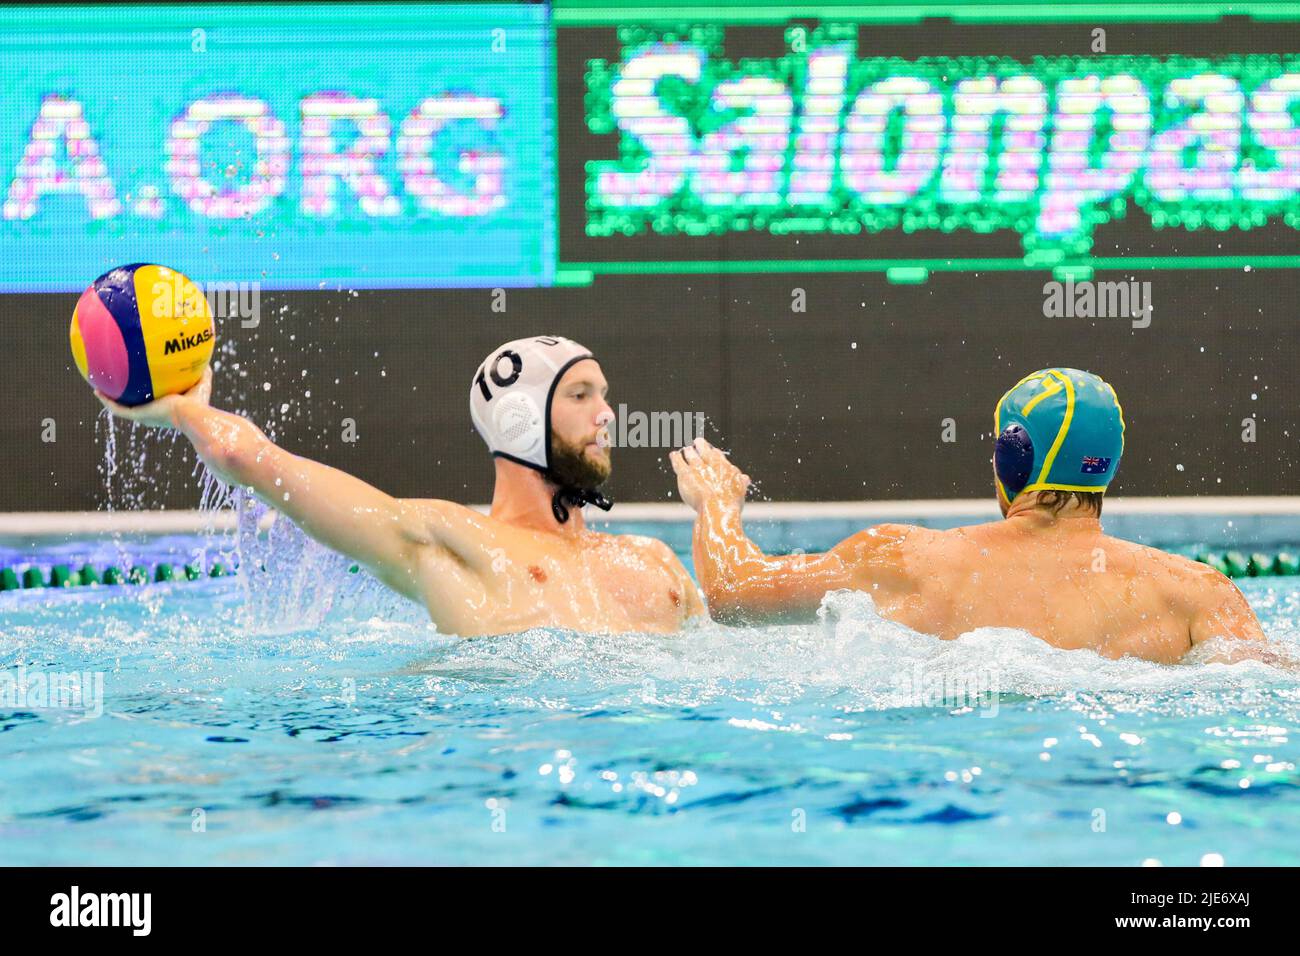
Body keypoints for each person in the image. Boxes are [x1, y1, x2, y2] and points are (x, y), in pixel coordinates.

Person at [95, 335, 703, 637]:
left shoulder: (650, 560)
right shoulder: (449, 542)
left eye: (604, 396)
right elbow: (246, 456)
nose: (606, 414)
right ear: (520, 420)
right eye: (580, 395)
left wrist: (718, 515)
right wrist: (177, 409)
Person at [671, 367, 1267, 664]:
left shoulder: (902, 559)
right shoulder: (1196, 594)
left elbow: (731, 593)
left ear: (1012, 459)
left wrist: (717, 506)